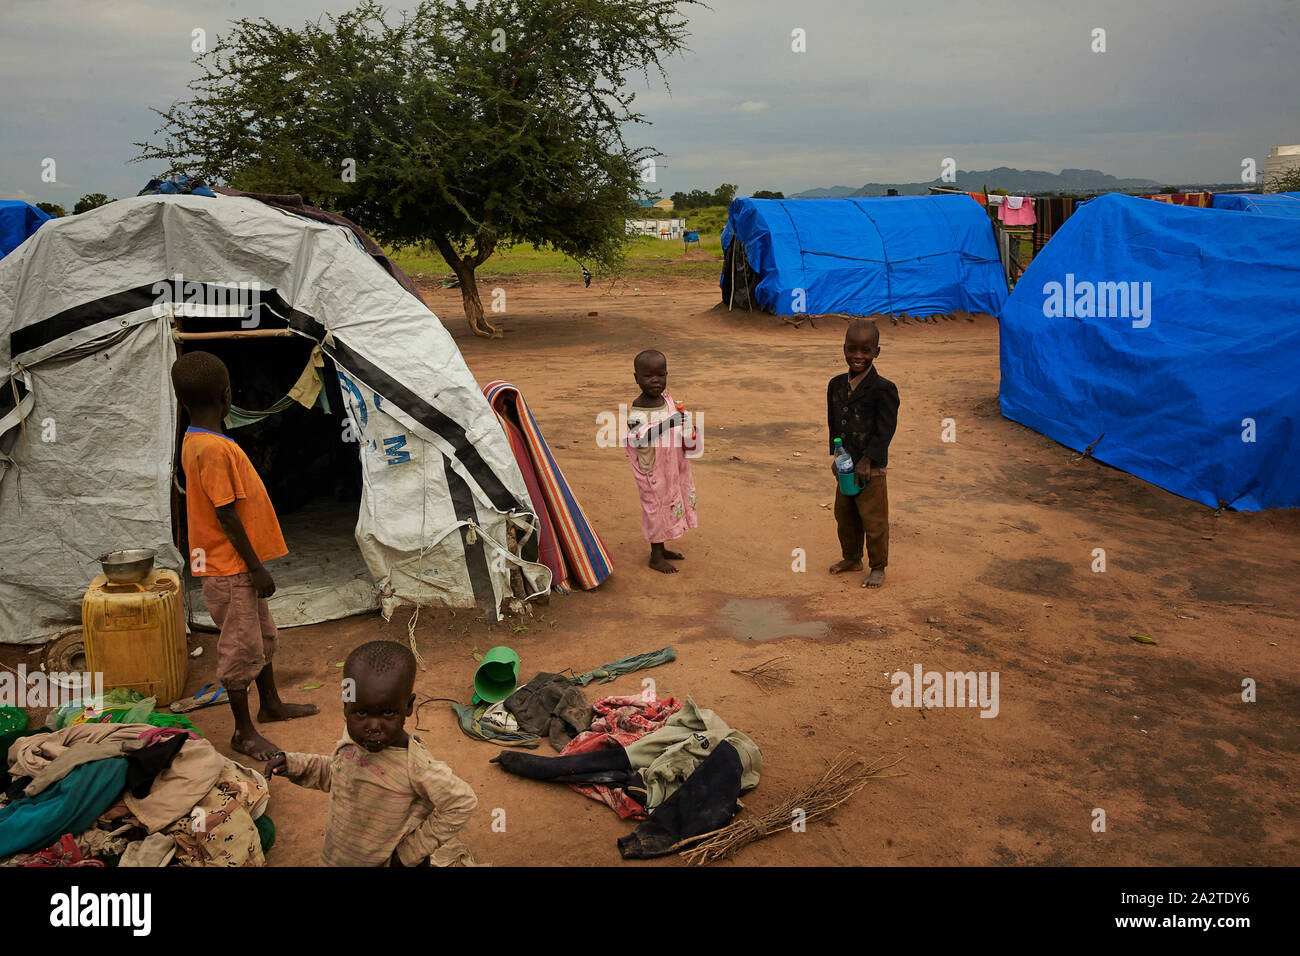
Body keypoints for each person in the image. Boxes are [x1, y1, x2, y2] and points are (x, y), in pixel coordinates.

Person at [171, 351, 317, 759]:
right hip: (231, 569)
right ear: (227, 394)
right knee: (240, 649)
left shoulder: (198, 441)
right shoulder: (213, 450)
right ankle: (242, 731)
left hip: (234, 568)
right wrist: (256, 568)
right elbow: (226, 515)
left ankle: (270, 704)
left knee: (262, 637)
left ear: (182, 400)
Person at [265, 641, 480, 867]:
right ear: (346, 706)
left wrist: (410, 852)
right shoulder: (353, 741)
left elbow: (462, 802)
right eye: (361, 712)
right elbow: (340, 774)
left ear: (408, 706)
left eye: (388, 712)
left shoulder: (415, 766)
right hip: (341, 856)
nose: (374, 726)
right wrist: (293, 764)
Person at [827, 319, 899, 588]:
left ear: (876, 352)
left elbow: (886, 430)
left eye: (865, 350)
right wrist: (836, 456)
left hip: (871, 468)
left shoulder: (884, 389)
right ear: (844, 348)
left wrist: (868, 460)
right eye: (852, 349)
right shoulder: (835, 385)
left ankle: (878, 566)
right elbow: (833, 422)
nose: (858, 356)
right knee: (844, 514)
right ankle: (852, 557)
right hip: (845, 465)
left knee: (874, 519)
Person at [626, 349, 698, 574]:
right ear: (636, 378)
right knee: (655, 508)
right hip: (652, 469)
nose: (655, 381)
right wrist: (670, 423)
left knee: (671, 501)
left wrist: (684, 422)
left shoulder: (666, 397)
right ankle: (656, 556)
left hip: (671, 464)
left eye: (660, 374)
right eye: (648, 376)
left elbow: (673, 415)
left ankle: (662, 547)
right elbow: (639, 436)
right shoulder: (637, 409)